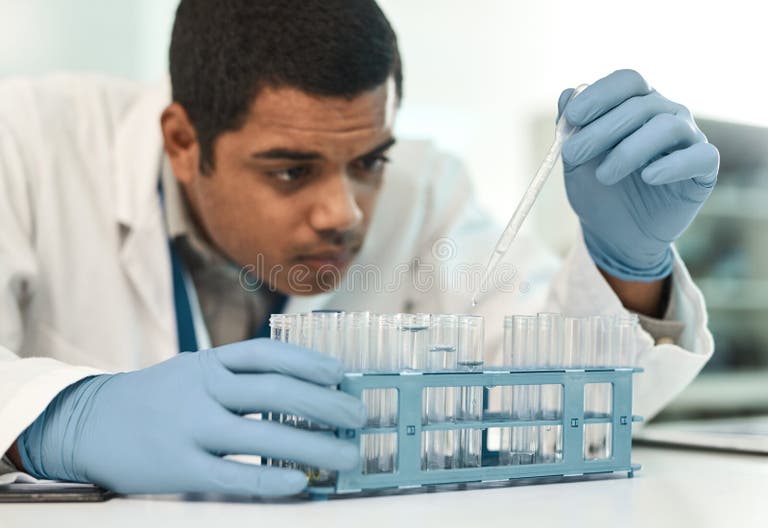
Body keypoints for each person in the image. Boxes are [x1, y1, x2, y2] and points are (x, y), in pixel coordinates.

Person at [0, 0, 718, 497]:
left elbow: (547, 399)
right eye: (290, 170)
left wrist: (627, 270)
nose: (343, 212)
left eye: (369, 161)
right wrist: (59, 418)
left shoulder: (430, 187)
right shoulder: (28, 144)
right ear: (184, 142)